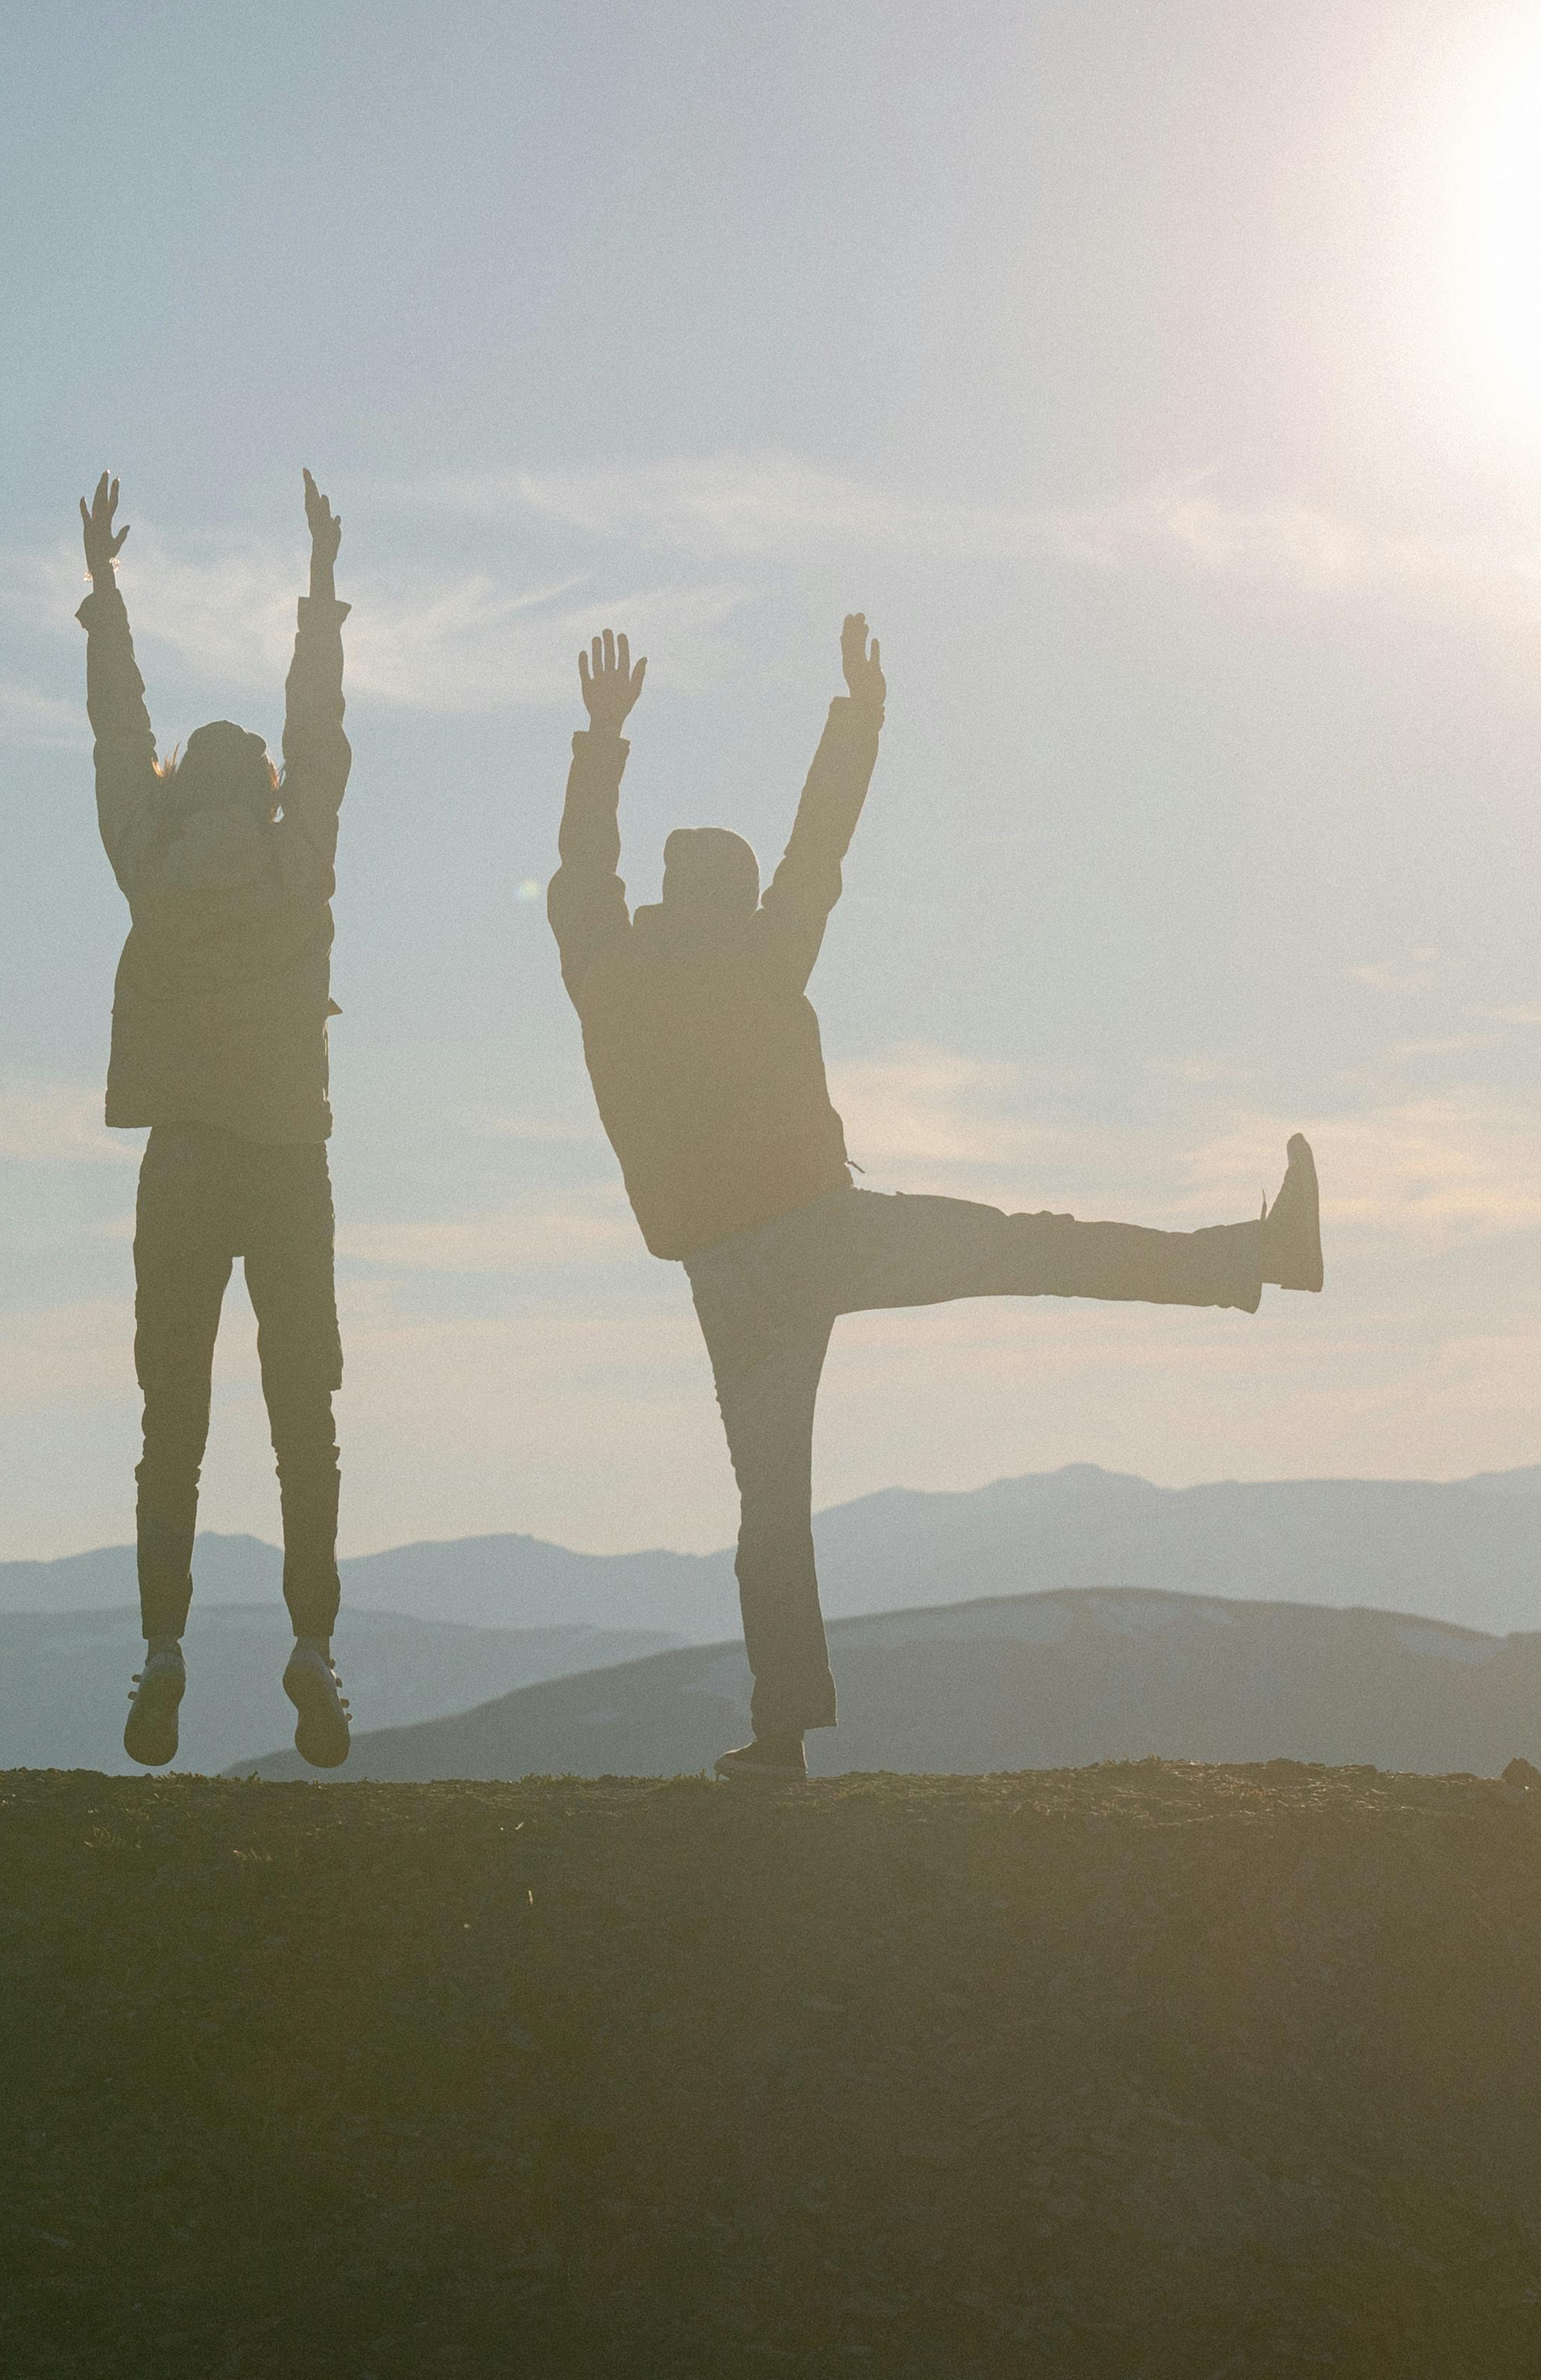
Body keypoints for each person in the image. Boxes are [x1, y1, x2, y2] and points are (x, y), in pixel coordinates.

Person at [549, 619, 1322, 1783]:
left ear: (668, 893)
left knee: (770, 1503)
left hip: (722, 1271)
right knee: (1032, 1250)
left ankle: (782, 1734)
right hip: (823, 1236)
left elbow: (582, 873)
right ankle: (1253, 1258)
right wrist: (858, 716)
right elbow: (822, 847)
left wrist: (603, 740)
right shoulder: (765, 956)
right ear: (742, 891)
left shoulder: (604, 970)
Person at [76, 467, 355, 1771]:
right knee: (305, 1414)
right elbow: (324, 732)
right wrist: (318, 589)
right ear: (273, 791)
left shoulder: (149, 869)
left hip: (182, 1168)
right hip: (289, 1168)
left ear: (187, 787)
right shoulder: (301, 873)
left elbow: (113, 736)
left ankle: (162, 1652)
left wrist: (106, 597)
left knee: (169, 1425)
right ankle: (314, 1649)